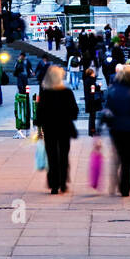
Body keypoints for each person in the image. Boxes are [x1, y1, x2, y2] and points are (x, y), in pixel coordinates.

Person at [103, 64, 130, 197]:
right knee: (128, 160)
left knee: (118, 156)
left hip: (116, 129)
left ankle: (115, 181)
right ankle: (125, 188)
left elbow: (107, 110)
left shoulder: (113, 91)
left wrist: (103, 127)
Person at [36, 65, 79, 194]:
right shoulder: (67, 92)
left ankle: (54, 184)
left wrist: (39, 127)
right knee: (64, 155)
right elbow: (74, 112)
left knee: (52, 156)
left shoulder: (45, 93)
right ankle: (63, 182)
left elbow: (40, 113)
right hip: (64, 128)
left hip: (50, 129)